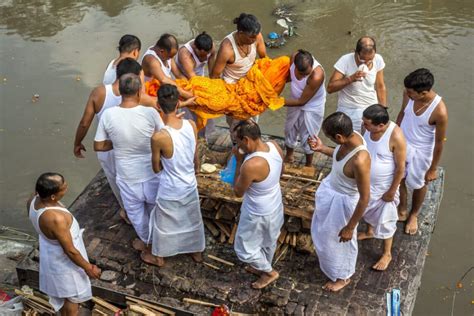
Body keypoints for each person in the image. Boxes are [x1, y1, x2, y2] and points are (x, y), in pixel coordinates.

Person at [74, 58, 158, 223]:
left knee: (116, 182)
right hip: (133, 146)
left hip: (107, 147)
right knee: (138, 180)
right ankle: (147, 215)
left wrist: (77, 143)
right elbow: (160, 113)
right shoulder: (140, 97)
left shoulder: (99, 93)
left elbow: (85, 122)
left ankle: (128, 212)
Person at [94, 74, 163, 250]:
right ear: (140, 91)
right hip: (152, 172)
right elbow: (164, 138)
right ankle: (161, 244)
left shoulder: (108, 115)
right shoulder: (151, 112)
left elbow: (99, 145)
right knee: (157, 209)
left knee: (136, 213)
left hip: (127, 175)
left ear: (120, 93)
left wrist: (117, 144)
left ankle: (149, 243)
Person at [142, 84, 205, 267]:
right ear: (179, 103)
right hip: (189, 183)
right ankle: (196, 251)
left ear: (158, 106)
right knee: (192, 217)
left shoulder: (159, 137)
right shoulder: (191, 125)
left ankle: (159, 256)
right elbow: (194, 156)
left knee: (164, 223)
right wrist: (196, 169)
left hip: (170, 187)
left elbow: (156, 168)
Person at [308, 112, 370, 292]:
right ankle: (329, 264)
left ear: (339, 137)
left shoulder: (360, 160)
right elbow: (338, 155)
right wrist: (322, 148)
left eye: (330, 139)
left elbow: (365, 197)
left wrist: (351, 227)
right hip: (331, 192)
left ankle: (343, 276)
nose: (330, 141)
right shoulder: (351, 136)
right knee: (323, 234)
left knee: (338, 241)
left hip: (343, 204)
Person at [27, 173, 101, 315]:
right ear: (53, 196)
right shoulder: (56, 218)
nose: (67, 187)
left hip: (49, 251)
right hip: (64, 262)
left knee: (63, 293)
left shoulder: (32, 200)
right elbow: (70, 250)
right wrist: (88, 268)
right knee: (73, 297)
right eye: (64, 188)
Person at [232, 120, 284, 289]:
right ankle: (261, 267)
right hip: (275, 202)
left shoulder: (251, 164)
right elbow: (282, 171)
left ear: (246, 140)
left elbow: (238, 191)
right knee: (268, 240)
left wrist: (239, 161)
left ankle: (269, 272)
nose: (238, 146)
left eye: (237, 142)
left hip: (257, 211)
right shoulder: (274, 145)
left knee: (244, 248)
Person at [396, 68, 448, 235]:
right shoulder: (409, 94)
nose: (408, 94)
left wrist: (433, 168)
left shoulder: (439, 111)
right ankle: (402, 209)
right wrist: (394, 134)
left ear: (424, 92)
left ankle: (414, 214)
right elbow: (402, 113)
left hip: (422, 150)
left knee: (419, 183)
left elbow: (439, 142)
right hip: (403, 142)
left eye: (411, 93)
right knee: (398, 177)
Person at [357, 104, 406, 270]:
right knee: (366, 209)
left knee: (386, 219)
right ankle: (370, 231)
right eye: (364, 123)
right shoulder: (367, 130)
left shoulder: (396, 136)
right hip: (366, 181)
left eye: (367, 124)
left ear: (381, 125)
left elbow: (400, 168)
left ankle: (387, 253)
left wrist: (392, 190)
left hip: (384, 186)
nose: (364, 126)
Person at [210, 13, 266, 140]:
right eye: (251, 37)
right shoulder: (227, 48)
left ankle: (253, 143)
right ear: (240, 33)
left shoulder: (257, 36)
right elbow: (215, 75)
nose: (254, 40)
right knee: (236, 126)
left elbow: (264, 59)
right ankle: (236, 147)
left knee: (253, 120)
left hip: (251, 83)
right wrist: (223, 99)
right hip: (233, 87)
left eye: (255, 37)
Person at [327, 37, 387, 132]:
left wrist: (383, 110)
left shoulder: (378, 59)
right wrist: (351, 78)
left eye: (370, 59)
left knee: (371, 139)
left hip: (370, 107)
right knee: (346, 138)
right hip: (348, 107)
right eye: (363, 60)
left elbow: (380, 86)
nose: (367, 63)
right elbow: (330, 88)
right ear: (355, 52)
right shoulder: (345, 60)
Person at [284, 49, 326, 166]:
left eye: (306, 74)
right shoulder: (294, 58)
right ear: (295, 66)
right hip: (294, 100)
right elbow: (286, 76)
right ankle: (289, 155)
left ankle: (308, 164)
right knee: (290, 129)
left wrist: (278, 101)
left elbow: (302, 101)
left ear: (312, 66)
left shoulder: (316, 76)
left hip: (311, 106)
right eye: (300, 74)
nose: (303, 76)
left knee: (309, 136)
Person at [175, 31, 216, 138]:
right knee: (191, 107)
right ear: (195, 48)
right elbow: (192, 77)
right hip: (185, 79)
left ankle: (204, 137)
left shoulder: (211, 48)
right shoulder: (185, 54)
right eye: (201, 55)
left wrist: (214, 83)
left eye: (206, 55)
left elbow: (212, 65)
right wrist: (202, 94)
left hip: (199, 77)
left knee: (206, 109)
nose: (204, 58)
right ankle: (190, 136)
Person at [141, 33, 193, 99]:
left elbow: (178, 74)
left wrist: (189, 86)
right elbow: (163, 80)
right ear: (162, 51)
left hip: (166, 89)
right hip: (151, 94)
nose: (171, 59)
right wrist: (184, 93)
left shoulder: (166, 54)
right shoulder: (151, 60)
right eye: (170, 57)